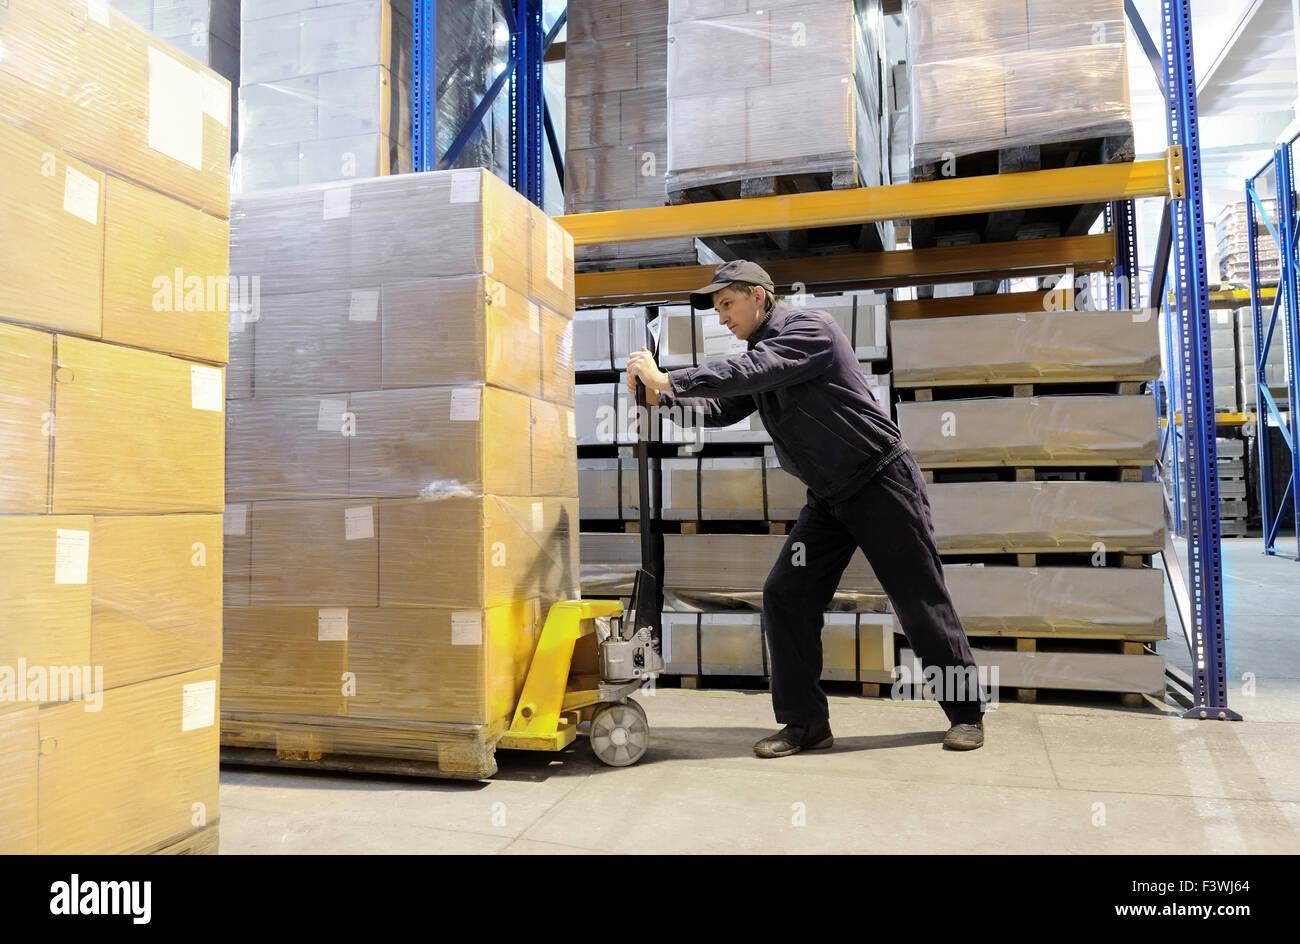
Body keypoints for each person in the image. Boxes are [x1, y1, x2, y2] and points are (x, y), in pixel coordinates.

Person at [626, 259, 986, 757]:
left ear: (758, 295)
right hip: (830, 497)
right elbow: (727, 406)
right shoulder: (763, 352)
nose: (722, 318)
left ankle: (966, 713)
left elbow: (754, 371)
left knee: (918, 597)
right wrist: (659, 396)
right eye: (717, 309)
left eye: (727, 304)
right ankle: (805, 723)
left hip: (882, 481)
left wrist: (669, 379)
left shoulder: (809, 330)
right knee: (785, 595)